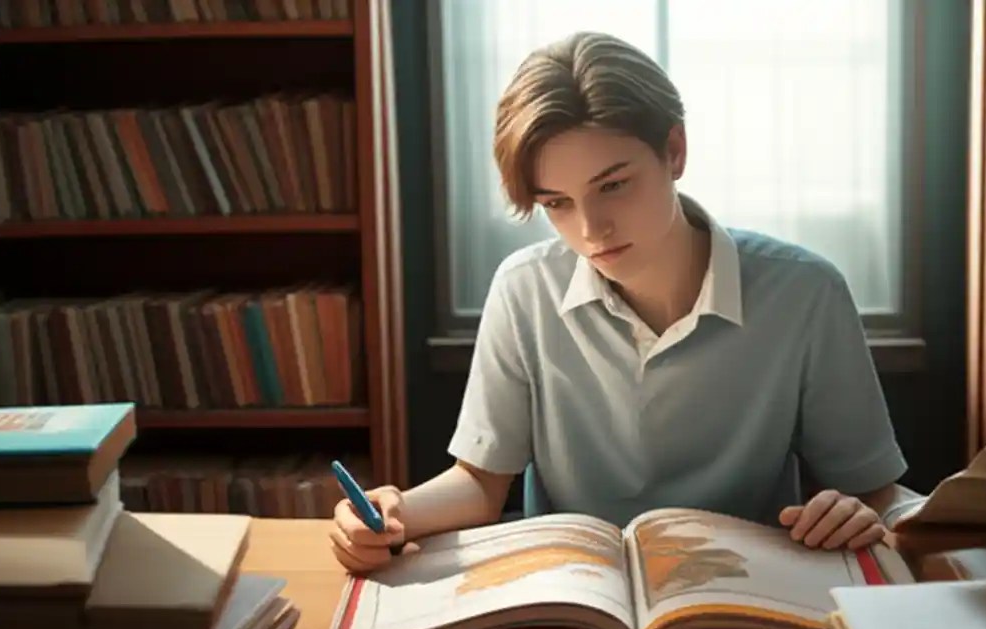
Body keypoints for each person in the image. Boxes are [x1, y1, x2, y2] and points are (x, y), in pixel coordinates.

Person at [330, 31, 908, 574]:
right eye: (557, 203)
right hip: (574, 599)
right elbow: (480, 484)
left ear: (674, 152)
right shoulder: (523, 289)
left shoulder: (805, 292)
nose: (591, 230)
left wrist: (862, 514)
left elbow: (874, 494)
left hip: (746, 599)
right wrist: (391, 513)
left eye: (613, 186)